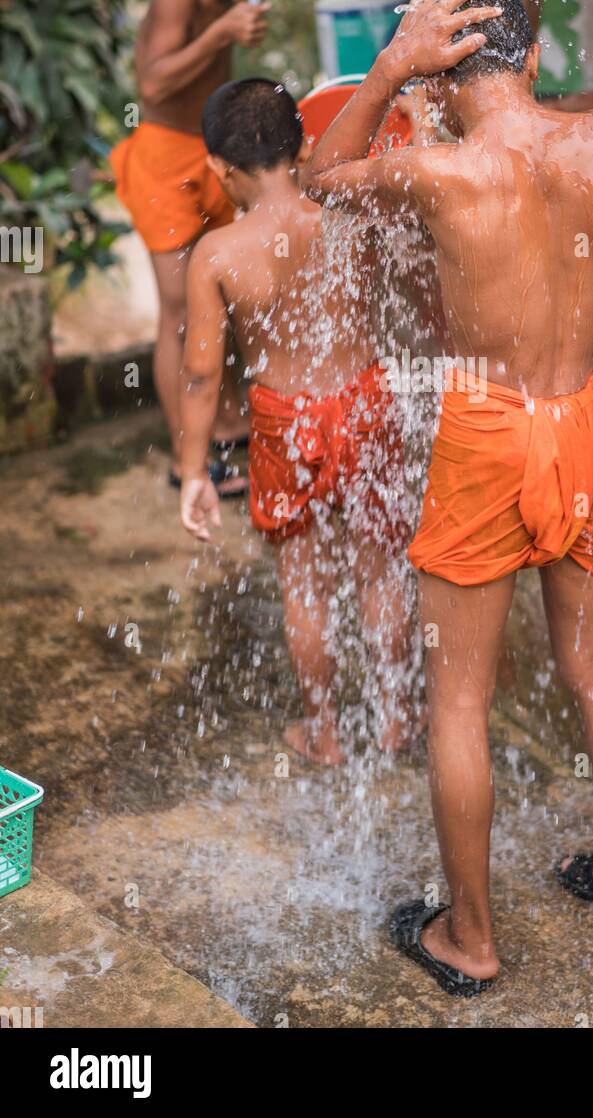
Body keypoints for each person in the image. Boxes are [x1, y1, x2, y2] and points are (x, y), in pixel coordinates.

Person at [299, 0, 593, 994]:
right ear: (535, 59)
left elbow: (320, 177)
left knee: (459, 701)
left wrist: (392, 64)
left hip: (487, 436)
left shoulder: (438, 171)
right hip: (582, 422)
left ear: (442, 86)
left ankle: (470, 939)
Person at [178, 78, 417, 764]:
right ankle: (397, 719)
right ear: (306, 141)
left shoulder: (217, 254)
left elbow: (199, 373)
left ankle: (325, 731)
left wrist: (195, 471)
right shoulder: (349, 214)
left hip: (285, 421)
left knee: (304, 583)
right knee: (379, 572)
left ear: (221, 170)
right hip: (367, 402)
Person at [110, 0, 300, 492]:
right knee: (176, 313)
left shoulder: (230, 0)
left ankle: (223, 421)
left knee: (220, 295)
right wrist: (221, 32)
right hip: (164, 155)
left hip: (212, 155)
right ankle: (185, 458)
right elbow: (153, 81)